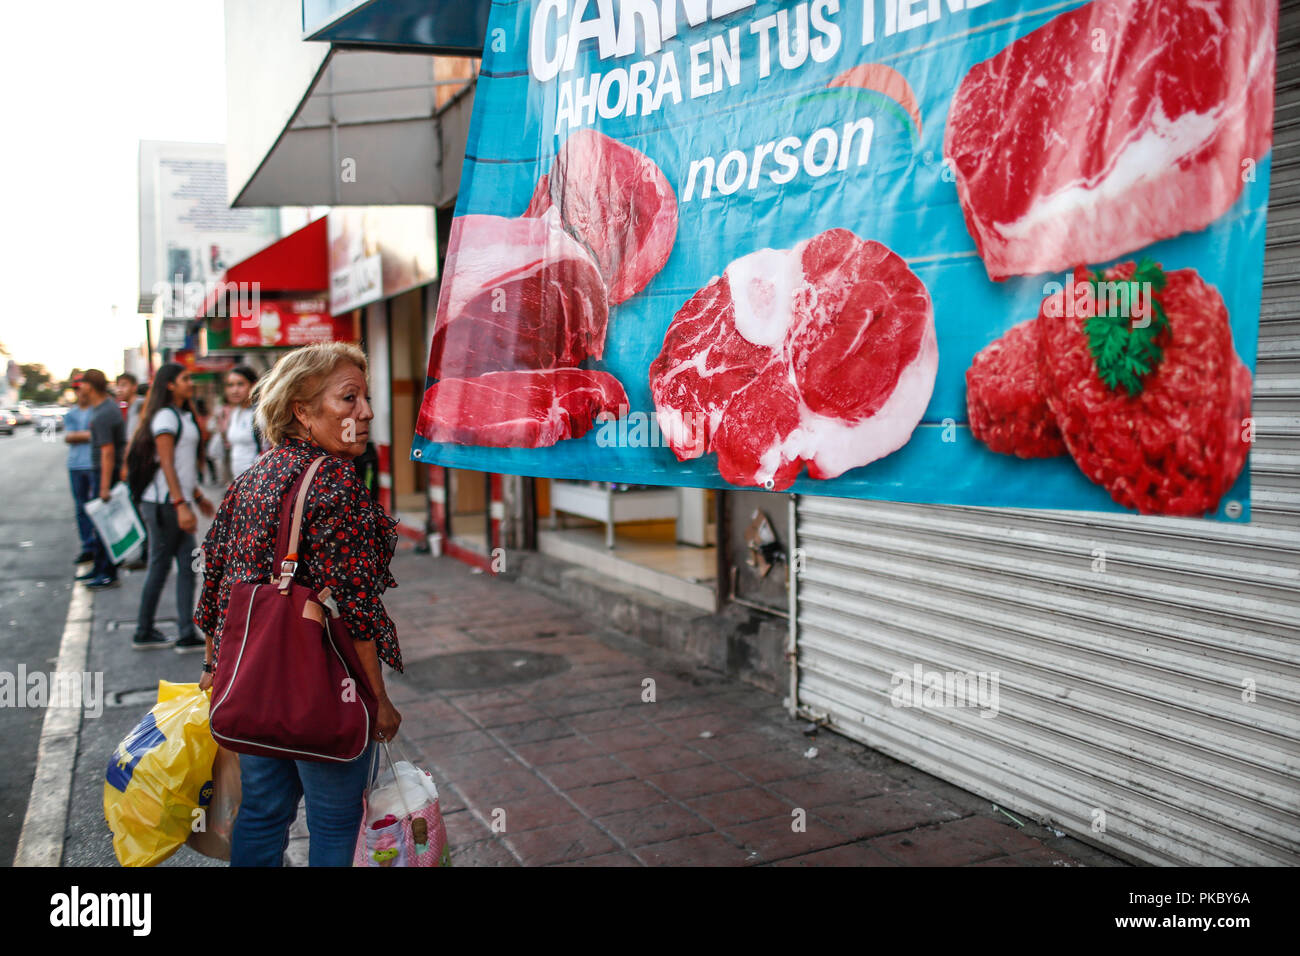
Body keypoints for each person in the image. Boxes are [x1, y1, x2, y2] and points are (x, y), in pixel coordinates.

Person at [194, 342, 403, 867]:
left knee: (262, 813)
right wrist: (377, 701)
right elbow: (356, 610)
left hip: (254, 686)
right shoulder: (335, 482)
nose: (367, 413)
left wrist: (214, 665)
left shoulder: (252, 477)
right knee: (336, 821)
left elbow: (217, 583)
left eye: (366, 398)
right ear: (301, 411)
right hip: (324, 690)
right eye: (348, 399)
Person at [128, 364, 215, 651]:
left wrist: (197, 496)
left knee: (187, 567)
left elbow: (182, 465)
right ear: (169, 385)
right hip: (164, 504)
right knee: (161, 566)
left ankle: (183, 632)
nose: (190, 383)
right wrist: (180, 504)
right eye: (185, 379)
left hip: (176, 500)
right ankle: (144, 630)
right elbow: (165, 463)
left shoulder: (181, 415)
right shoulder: (165, 417)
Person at [80, 370, 126, 591]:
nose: (79, 389)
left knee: (104, 524)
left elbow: (108, 452)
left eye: (82, 384)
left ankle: (107, 572)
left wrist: (104, 486)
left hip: (106, 472)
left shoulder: (103, 413)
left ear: (90, 386)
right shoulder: (103, 408)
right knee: (100, 524)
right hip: (104, 471)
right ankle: (100, 568)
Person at [63, 380, 97, 567]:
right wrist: (90, 434)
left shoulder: (96, 410)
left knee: (98, 506)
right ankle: (88, 546)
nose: (80, 393)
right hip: (76, 465)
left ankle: (101, 546)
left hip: (93, 464)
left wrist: (80, 435)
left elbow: (100, 435)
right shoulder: (71, 413)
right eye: (76, 389)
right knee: (81, 507)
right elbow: (68, 437)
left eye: (81, 388)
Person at [222, 365, 263, 480]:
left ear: (253, 385)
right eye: (230, 385)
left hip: (258, 480)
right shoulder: (235, 413)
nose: (235, 390)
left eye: (240, 384)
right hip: (239, 482)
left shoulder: (260, 414)